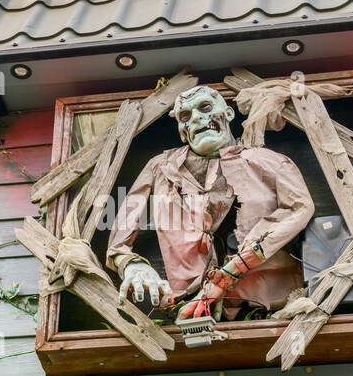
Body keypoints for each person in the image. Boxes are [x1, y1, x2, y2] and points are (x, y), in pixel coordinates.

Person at [106, 85, 314, 323]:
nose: (196, 118)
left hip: (271, 306)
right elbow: (120, 236)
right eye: (185, 116)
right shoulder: (160, 168)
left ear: (228, 113)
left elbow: (299, 208)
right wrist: (130, 264)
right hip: (186, 312)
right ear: (182, 132)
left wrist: (229, 273)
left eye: (205, 107)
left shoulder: (271, 162)